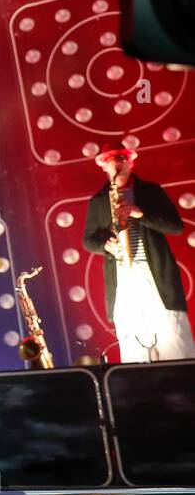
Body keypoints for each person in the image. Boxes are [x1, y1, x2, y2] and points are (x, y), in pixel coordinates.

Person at [83, 145, 194, 362]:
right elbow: (88, 240)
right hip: (124, 280)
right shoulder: (98, 201)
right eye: (110, 160)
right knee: (135, 352)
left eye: (121, 158)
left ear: (130, 162)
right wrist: (106, 245)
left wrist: (140, 213)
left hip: (156, 277)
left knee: (175, 343)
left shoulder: (150, 191)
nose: (116, 163)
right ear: (104, 167)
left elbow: (175, 226)